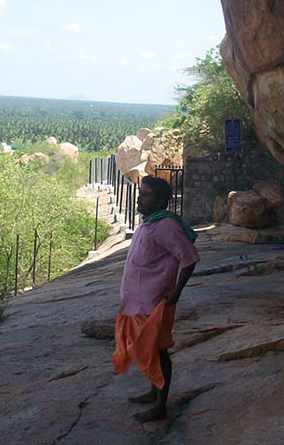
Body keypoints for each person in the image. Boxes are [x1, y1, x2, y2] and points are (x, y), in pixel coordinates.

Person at [112, 175, 199, 422]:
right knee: (145, 348)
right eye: (141, 192)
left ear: (160, 201)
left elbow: (189, 258)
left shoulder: (166, 226)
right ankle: (153, 392)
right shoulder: (149, 222)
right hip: (137, 300)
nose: (140, 197)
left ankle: (161, 406)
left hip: (154, 301)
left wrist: (176, 292)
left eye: (146, 194)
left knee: (158, 350)